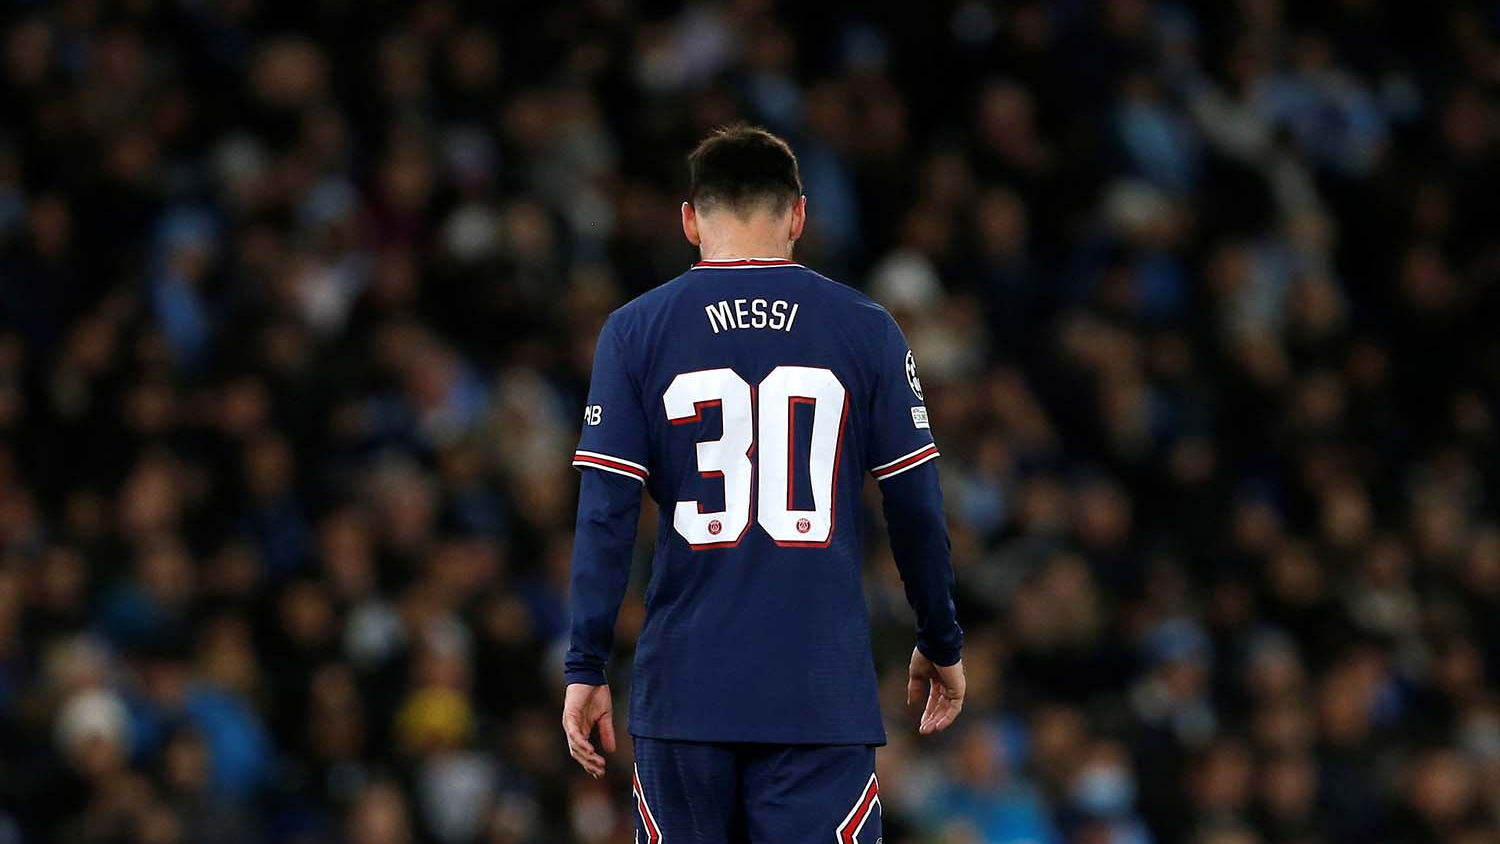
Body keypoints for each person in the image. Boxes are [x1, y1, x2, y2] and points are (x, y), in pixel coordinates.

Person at [560, 125, 965, 842]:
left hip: (684, 693)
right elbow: (916, 507)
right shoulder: (866, 328)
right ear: (799, 215)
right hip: (818, 693)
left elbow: (604, 515)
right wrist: (940, 637)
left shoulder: (633, 331)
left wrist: (585, 664)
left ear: (690, 220)